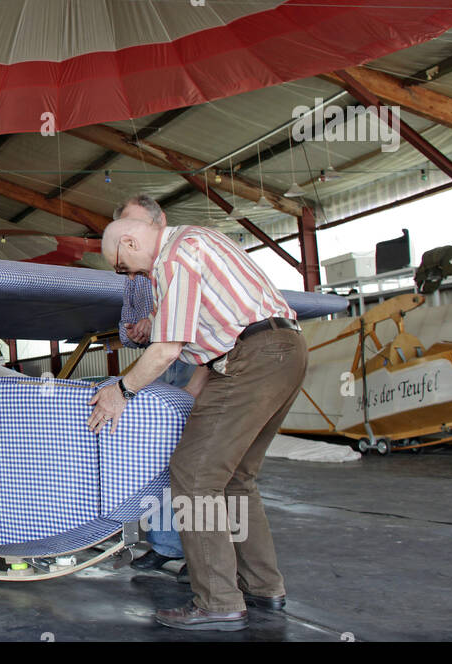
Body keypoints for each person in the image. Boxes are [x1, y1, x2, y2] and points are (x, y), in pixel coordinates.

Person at [90, 217, 307, 631]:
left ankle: (218, 601)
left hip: (253, 359)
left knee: (193, 475)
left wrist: (121, 390)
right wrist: (190, 385)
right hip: (287, 348)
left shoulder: (174, 258)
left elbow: (168, 348)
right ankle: (263, 587)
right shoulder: (200, 239)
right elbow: (218, 327)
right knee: (238, 478)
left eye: (123, 266)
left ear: (132, 242)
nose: (131, 275)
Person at [113, 196, 193, 579]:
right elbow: (124, 326)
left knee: (198, 458)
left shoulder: (182, 255)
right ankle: (164, 545)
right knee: (159, 454)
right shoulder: (132, 278)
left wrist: (154, 321)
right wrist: (133, 330)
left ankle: (204, 553)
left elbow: (192, 311)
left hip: (193, 361)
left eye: (136, 225)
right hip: (156, 366)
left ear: (159, 220)